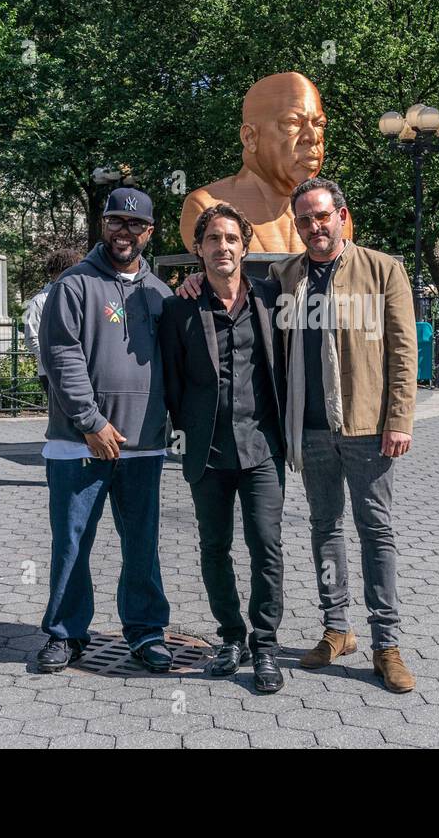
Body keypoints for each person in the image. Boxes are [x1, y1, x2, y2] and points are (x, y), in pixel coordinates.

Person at [276, 177, 418, 693]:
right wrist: (194, 283)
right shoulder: (285, 274)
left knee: (375, 531)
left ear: (341, 216)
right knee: (324, 529)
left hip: (367, 429)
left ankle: (387, 645)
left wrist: (399, 419)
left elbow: (404, 352)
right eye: (304, 220)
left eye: (321, 216)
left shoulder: (383, 270)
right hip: (311, 430)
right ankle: (336, 630)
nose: (314, 226)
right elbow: (237, 297)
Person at [34, 188, 174, 674]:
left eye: (136, 225)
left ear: (149, 232)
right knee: (72, 543)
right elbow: (61, 358)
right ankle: (66, 634)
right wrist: (92, 423)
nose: (125, 232)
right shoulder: (74, 286)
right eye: (116, 221)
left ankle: (146, 631)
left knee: (143, 546)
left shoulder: (161, 294)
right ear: (103, 224)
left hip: (143, 446)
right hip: (79, 445)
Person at [161, 204, 288, 693]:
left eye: (231, 239)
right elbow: (172, 383)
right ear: (200, 249)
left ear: (244, 247)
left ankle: (266, 645)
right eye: (213, 239)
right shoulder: (179, 308)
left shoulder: (271, 298)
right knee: (215, 548)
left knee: (267, 547)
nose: (223, 247)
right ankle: (230, 637)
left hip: (261, 448)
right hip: (207, 452)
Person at [177, 72, 353, 253]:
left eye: (319, 124)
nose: (312, 137)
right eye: (292, 122)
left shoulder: (335, 214)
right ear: (250, 137)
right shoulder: (203, 208)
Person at [23, 247, 84, 396]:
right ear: (58, 272)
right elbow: (31, 338)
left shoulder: (79, 297)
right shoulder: (39, 301)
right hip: (52, 372)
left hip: (80, 371)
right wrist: (57, 360)